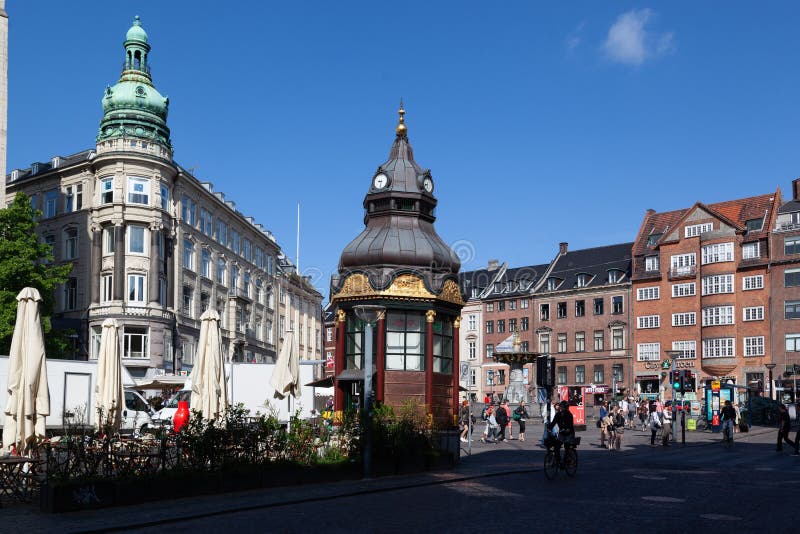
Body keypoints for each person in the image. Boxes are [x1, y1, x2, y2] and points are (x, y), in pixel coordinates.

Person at [547, 401, 575, 467]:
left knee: (567, 446)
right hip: (562, 433)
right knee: (556, 446)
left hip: (569, 434)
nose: (561, 408)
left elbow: (570, 425)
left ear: (566, 408)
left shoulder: (569, 415)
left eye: (563, 407)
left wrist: (568, 429)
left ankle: (566, 461)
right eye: (561, 407)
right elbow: (553, 422)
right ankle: (559, 461)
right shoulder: (558, 414)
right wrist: (549, 428)